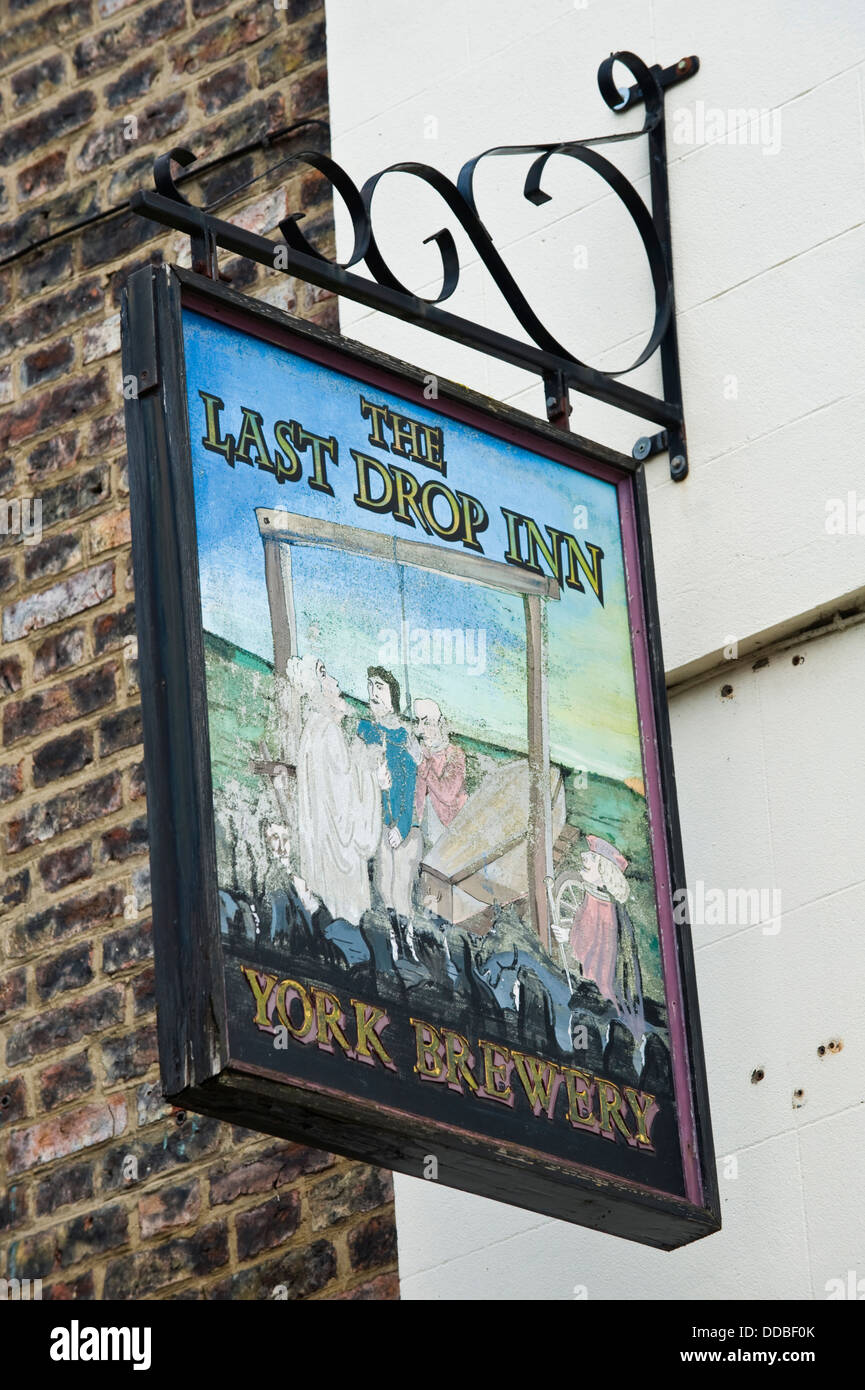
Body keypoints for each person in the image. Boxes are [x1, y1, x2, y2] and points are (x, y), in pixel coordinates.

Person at [293, 655, 382, 926]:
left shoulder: (314, 729)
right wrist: (367, 764)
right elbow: (347, 804)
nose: (334, 681)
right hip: (337, 855)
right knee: (348, 920)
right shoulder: (328, 731)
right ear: (317, 690)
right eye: (323, 674)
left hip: (321, 849)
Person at [357, 666, 423, 958]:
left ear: (393, 696)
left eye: (380, 687)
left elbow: (410, 788)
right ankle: (393, 940)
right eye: (370, 685)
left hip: (405, 825)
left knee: (401, 887)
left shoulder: (404, 738)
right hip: (379, 823)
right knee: (384, 885)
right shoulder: (365, 730)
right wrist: (375, 782)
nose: (373, 692)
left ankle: (408, 942)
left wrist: (403, 827)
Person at [552, 835, 644, 1037]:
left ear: (604, 872)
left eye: (591, 859)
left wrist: (568, 935)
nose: (584, 860)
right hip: (597, 974)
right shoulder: (596, 897)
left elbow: (592, 941)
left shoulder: (601, 903)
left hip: (599, 978)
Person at [412, 698, 467, 847]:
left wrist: (422, 765)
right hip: (421, 831)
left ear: (441, 724)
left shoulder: (455, 754)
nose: (421, 729)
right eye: (418, 722)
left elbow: (448, 795)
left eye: (427, 722)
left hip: (450, 831)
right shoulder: (420, 751)